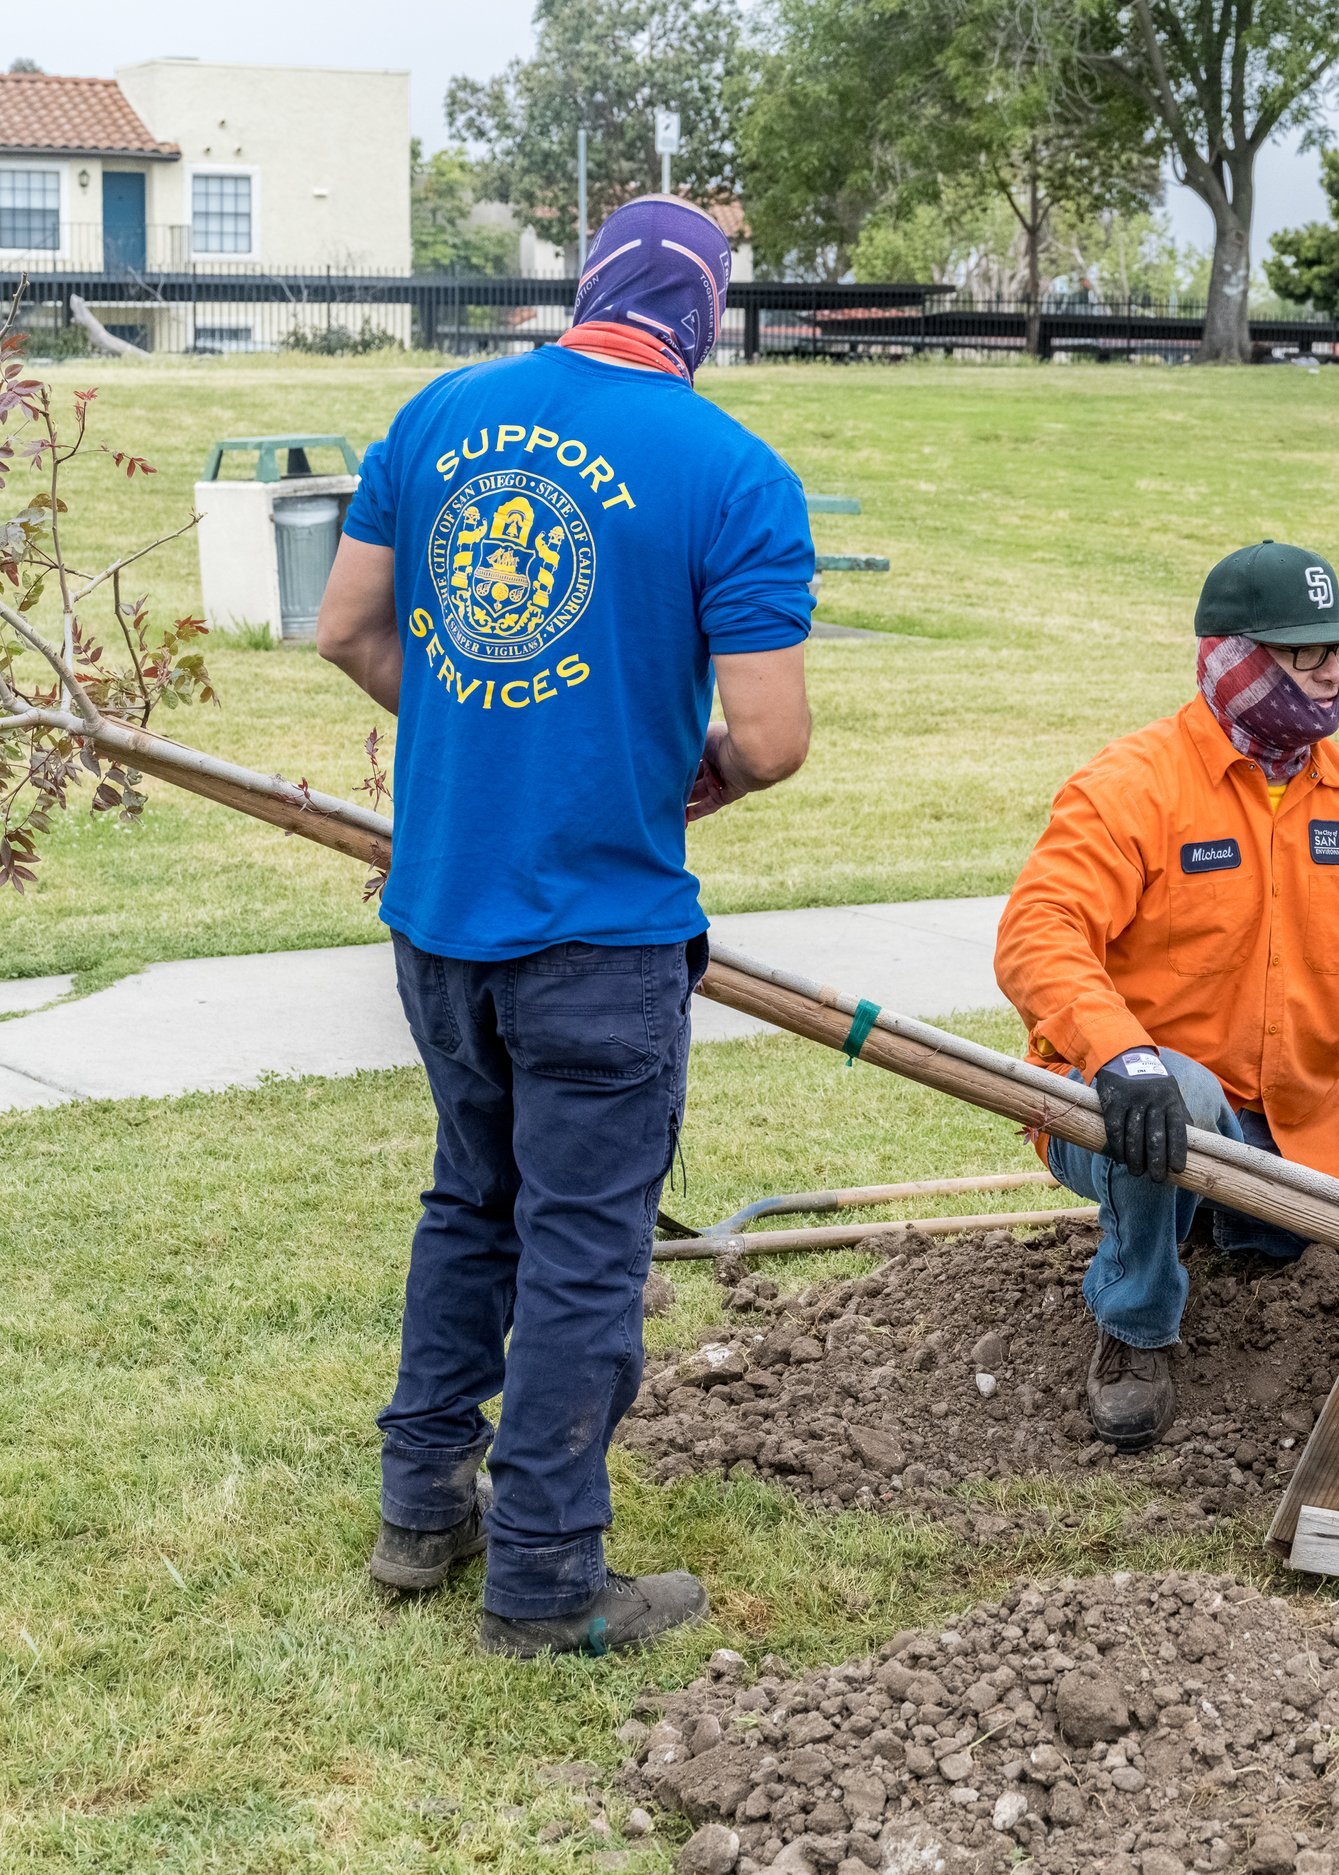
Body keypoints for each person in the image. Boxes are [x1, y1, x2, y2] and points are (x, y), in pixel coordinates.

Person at [315, 197, 817, 1657]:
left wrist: (484, 744)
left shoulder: (440, 410)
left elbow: (349, 628)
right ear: (704, 318)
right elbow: (772, 737)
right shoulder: (732, 469)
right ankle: (543, 1577)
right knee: (586, 1249)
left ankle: (422, 1513)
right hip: (599, 936)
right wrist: (679, 774)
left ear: (586, 284)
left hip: (441, 919)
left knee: (469, 1200)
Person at [995, 541, 1339, 1450]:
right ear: (1236, 656)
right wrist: (1119, 1051)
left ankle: (1243, 1220)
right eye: (1308, 652)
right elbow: (1039, 934)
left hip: (1296, 1117)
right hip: (1120, 1102)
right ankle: (1135, 1323)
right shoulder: (1131, 786)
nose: (1333, 669)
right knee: (1176, 1099)